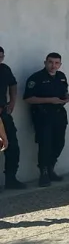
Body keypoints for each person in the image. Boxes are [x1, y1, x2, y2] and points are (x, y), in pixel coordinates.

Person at [23, 52, 69, 187]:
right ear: (45, 62)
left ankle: (51, 168)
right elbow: (28, 98)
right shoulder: (36, 78)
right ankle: (43, 173)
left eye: (56, 63)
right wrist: (50, 100)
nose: (53, 66)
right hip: (43, 116)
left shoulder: (61, 77)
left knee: (59, 143)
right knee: (45, 145)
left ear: (60, 65)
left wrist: (66, 97)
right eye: (50, 62)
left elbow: (64, 91)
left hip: (59, 115)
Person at [0, 46, 25, 190]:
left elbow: (13, 84)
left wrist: (13, 101)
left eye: (1, 57)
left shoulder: (4, 69)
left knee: (12, 147)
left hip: (4, 114)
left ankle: (11, 179)